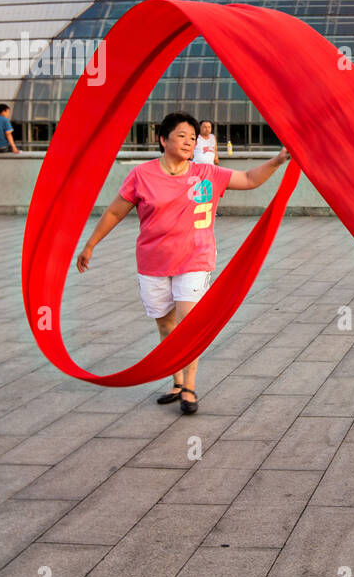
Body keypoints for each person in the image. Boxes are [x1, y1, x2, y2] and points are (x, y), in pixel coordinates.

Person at [75, 112, 289, 414]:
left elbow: (250, 179)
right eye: (182, 136)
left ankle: (189, 386)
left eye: (193, 138)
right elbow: (114, 212)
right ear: (163, 140)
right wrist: (90, 244)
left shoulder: (207, 173)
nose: (189, 142)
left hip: (195, 259)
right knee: (166, 325)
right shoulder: (141, 175)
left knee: (189, 324)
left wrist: (278, 160)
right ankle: (176, 382)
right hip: (153, 263)